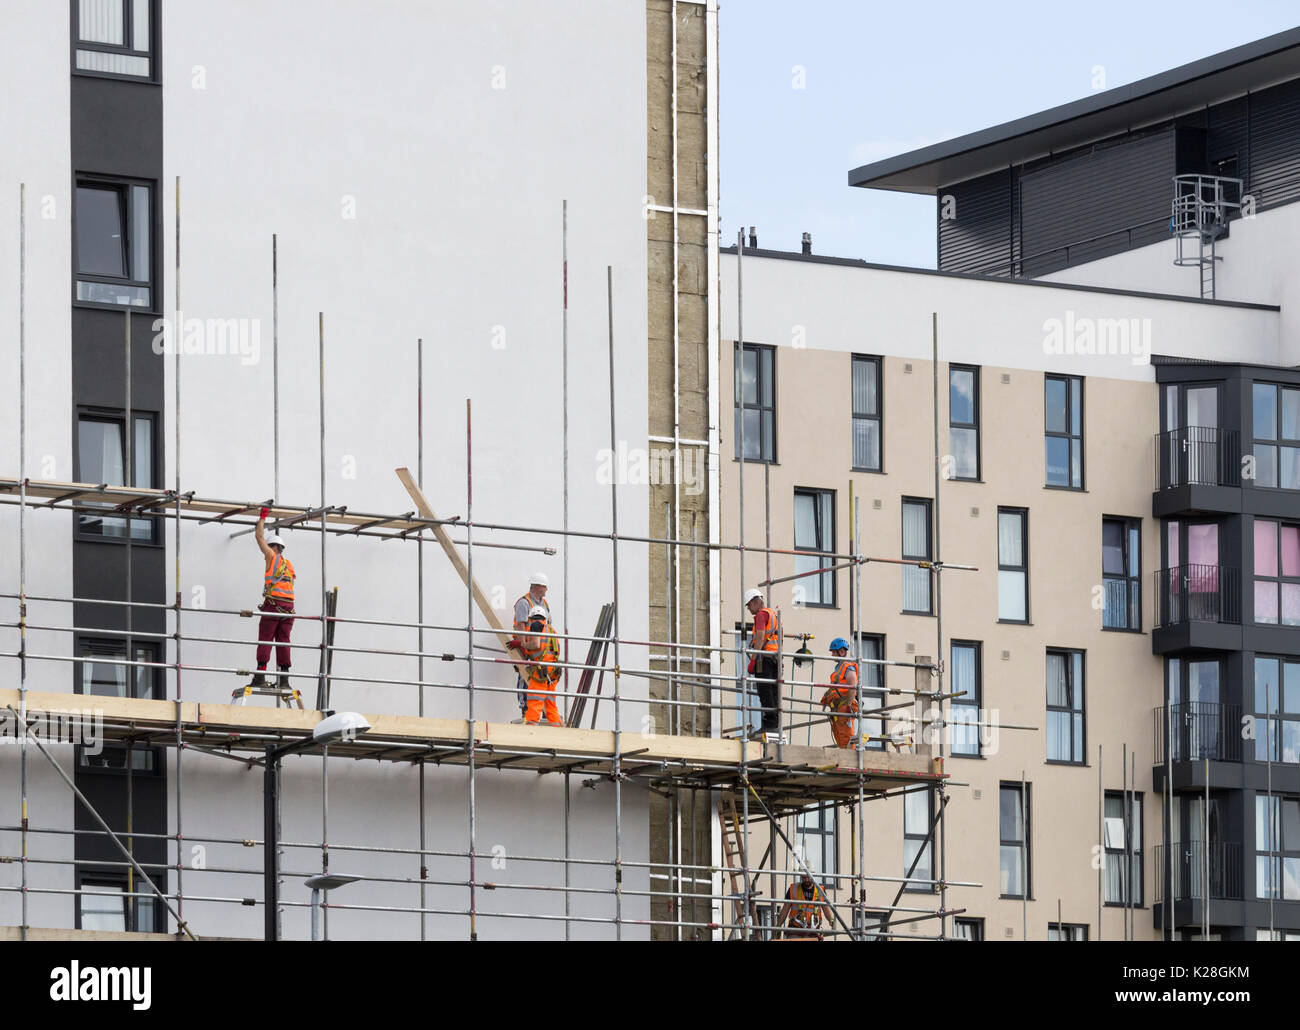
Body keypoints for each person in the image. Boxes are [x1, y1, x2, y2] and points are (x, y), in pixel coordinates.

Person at [251, 507, 295, 690]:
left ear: (274, 547)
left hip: (274, 605)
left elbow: (259, 537)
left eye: (270, 547)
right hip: (289, 609)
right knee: (283, 641)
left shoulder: (271, 556)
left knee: (266, 639)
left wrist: (262, 517)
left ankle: (260, 675)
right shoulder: (288, 564)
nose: (266, 550)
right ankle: (284, 680)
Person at [743, 588, 781, 738]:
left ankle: (769, 725)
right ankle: (774, 723)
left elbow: (759, 637)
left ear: (755, 602)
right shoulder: (773, 614)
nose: (748, 609)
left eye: (749, 605)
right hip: (775, 658)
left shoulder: (760, 615)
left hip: (764, 658)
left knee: (765, 691)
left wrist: (754, 658)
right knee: (773, 691)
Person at [513, 573, 551, 717]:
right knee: (525, 675)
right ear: (537, 586)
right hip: (528, 647)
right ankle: (525, 708)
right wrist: (523, 644)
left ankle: (541, 710)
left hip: (541, 649)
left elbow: (548, 625)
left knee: (541, 676)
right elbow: (520, 625)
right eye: (545, 587)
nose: (546, 590)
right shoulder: (524, 602)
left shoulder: (544, 603)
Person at [519, 603, 562, 726]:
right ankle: (556, 726)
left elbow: (536, 645)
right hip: (553, 670)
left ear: (531, 618)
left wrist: (523, 644)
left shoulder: (535, 625)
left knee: (535, 699)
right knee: (550, 702)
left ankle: (531, 725)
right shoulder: (552, 630)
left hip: (540, 670)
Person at [820, 637, 859, 749]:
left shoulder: (848, 667)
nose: (832, 655)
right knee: (839, 736)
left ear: (841, 652)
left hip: (844, 706)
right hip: (837, 707)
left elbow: (853, 685)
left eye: (834, 652)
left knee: (846, 736)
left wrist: (848, 705)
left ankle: (849, 761)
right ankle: (844, 759)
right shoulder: (839, 668)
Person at [777, 872, 829, 940]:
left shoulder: (820, 890)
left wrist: (831, 920)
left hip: (813, 931)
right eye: (804, 877)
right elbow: (785, 910)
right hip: (795, 930)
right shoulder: (793, 889)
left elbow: (826, 908)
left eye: (808, 877)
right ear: (801, 876)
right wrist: (778, 926)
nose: (806, 879)